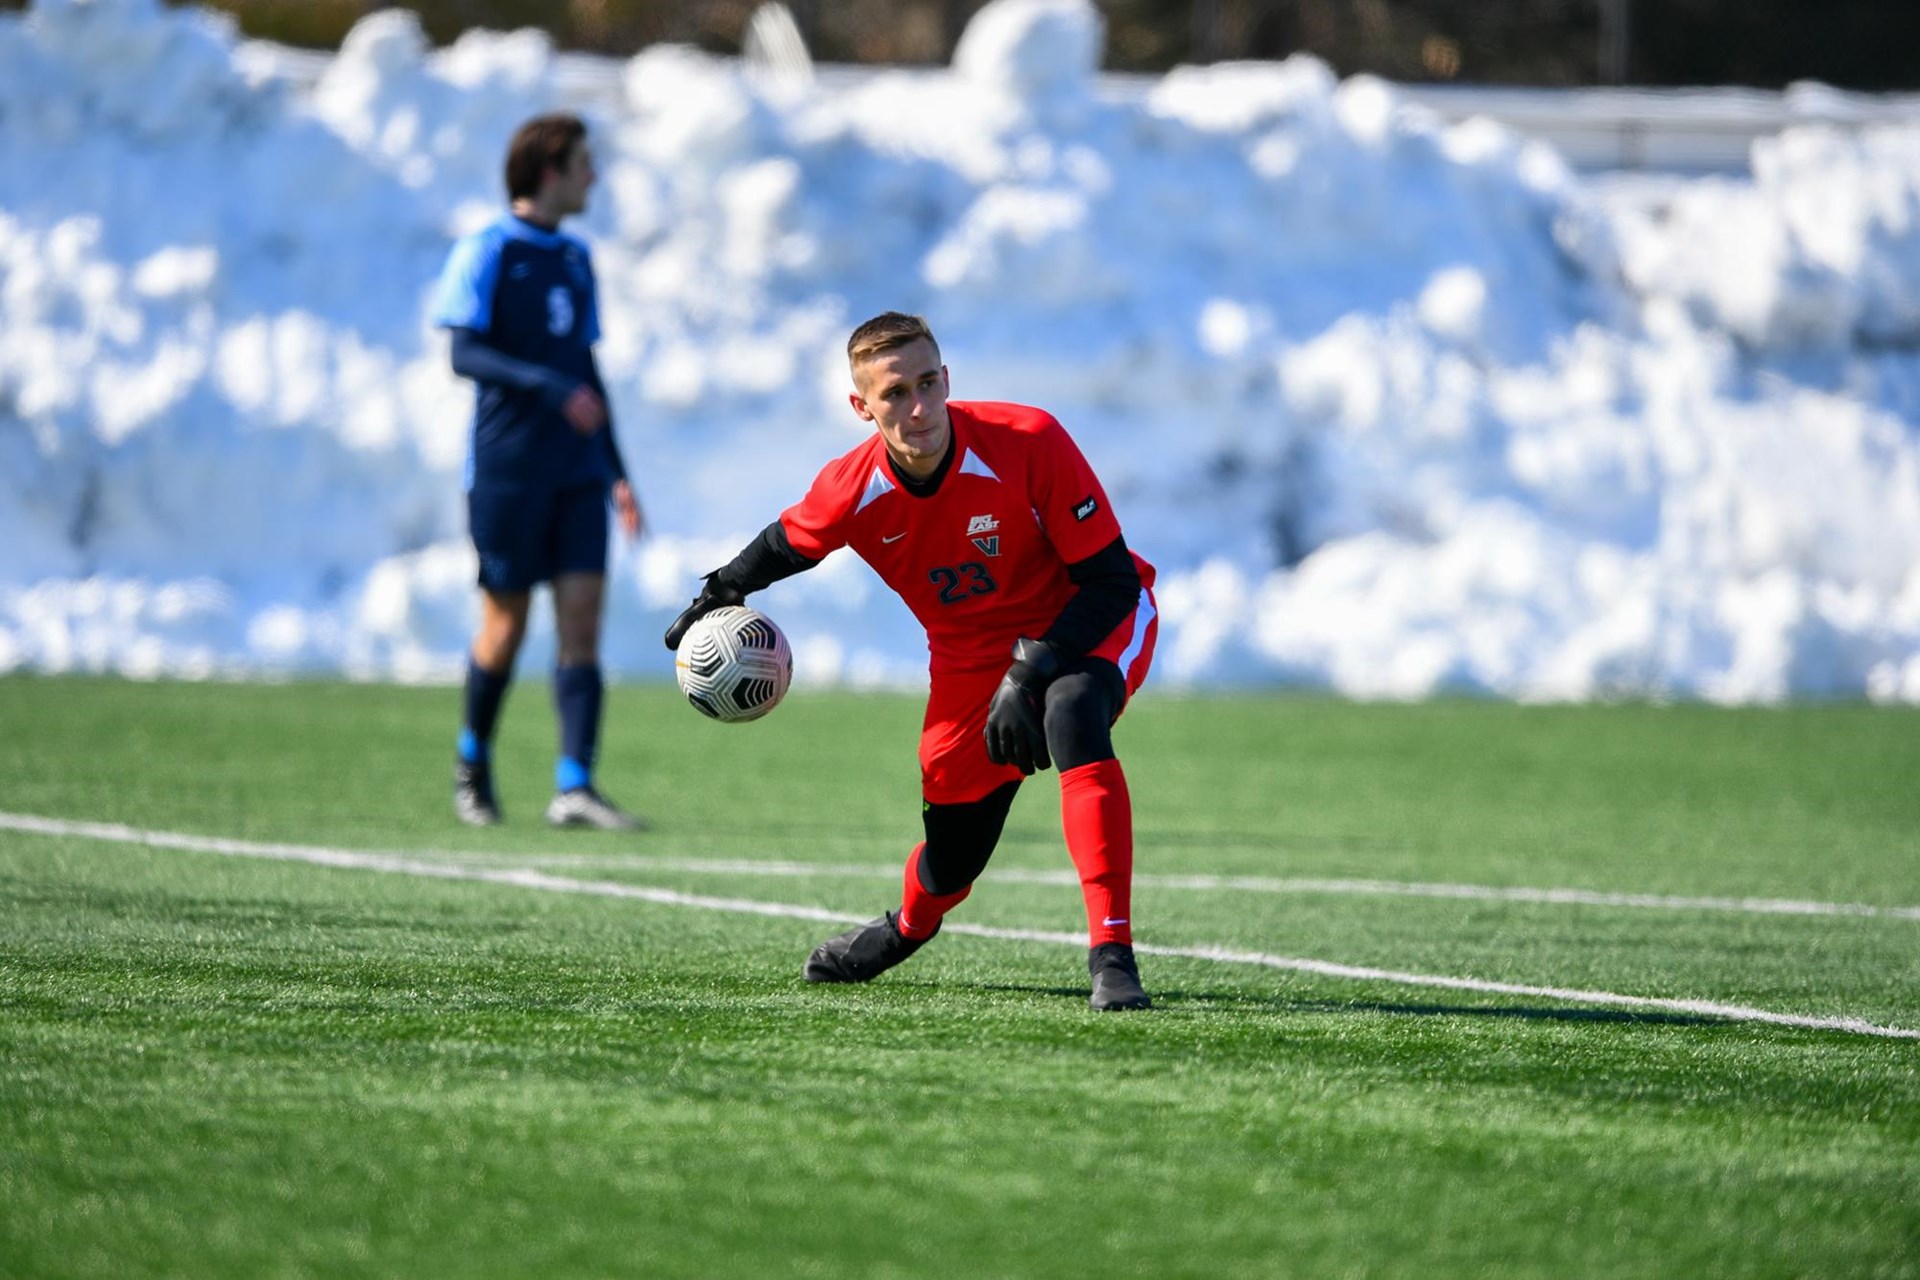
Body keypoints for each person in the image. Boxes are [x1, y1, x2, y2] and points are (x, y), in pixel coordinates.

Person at [665, 313, 1159, 1010]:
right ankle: (906, 928)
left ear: (948, 379)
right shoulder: (853, 487)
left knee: (1071, 709)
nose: (919, 407)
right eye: (895, 393)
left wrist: (1033, 668)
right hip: (967, 658)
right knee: (952, 855)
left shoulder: (1028, 441)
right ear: (861, 407)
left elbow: (1109, 582)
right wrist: (718, 592)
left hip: (1085, 619)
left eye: (929, 383)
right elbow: (785, 543)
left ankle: (1112, 956)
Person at [430, 113, 644, 830]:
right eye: (585, 162)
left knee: (582, 624)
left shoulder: (577, 259)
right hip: (507, 472)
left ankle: (575, 785)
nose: (594, 176)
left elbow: (587, 369)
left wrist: (619, 472)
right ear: (550, 170)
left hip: (578, 474)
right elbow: (464, 353)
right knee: (506, 625)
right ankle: (472, 763)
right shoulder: (487, 248)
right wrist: (547, 388)